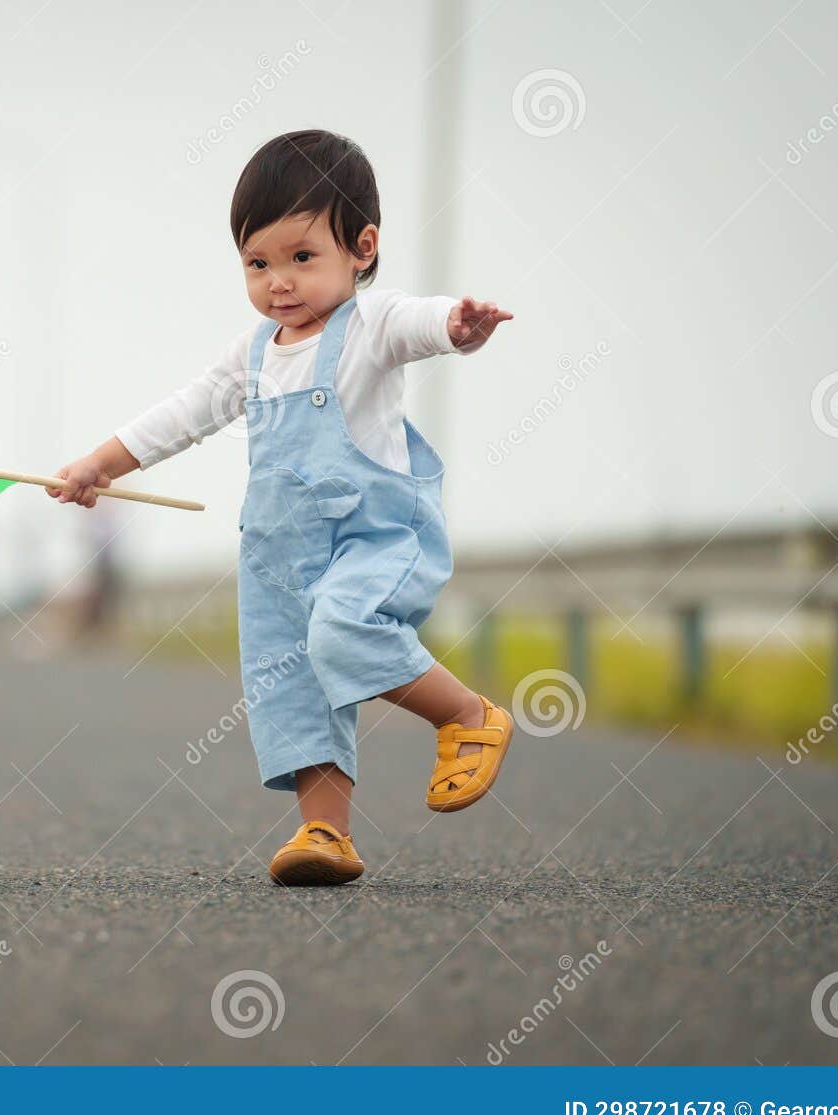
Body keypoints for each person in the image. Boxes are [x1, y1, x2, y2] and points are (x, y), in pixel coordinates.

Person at [47, 129, 516, 886]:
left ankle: (465, 715)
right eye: (257, 263)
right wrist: (102, 463)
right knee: (290, 688)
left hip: (369, 539)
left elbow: (416, 323)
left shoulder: (368, 326)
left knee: (342, 633)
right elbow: (189, 411)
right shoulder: (254, 352)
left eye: (303, 257)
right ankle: (325, 832)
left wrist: (456, 328)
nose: (280, 282)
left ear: (361, 248)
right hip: (275, 558)